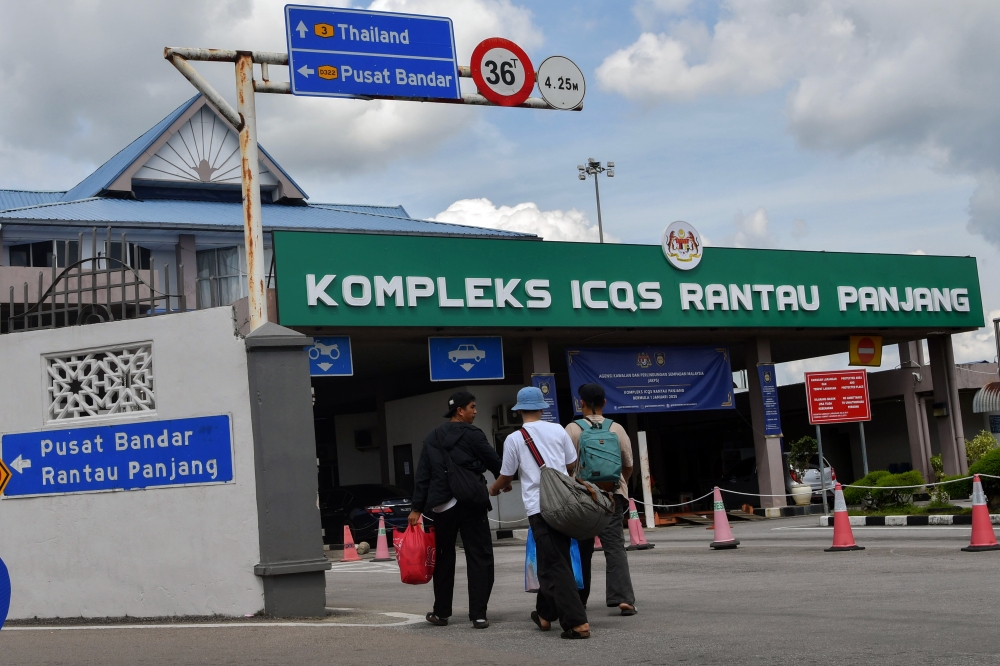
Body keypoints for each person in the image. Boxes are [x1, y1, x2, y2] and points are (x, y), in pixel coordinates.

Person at [489, 386, 591, 639]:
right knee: (550, 559)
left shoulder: (515, 438)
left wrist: (494, 489)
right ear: (542, 407)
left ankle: (577, 623)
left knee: (556, 562)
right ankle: (545, 615)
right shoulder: (558, 429)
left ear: (519, 410)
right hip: (565, 504)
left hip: (539, 507)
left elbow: (506, 475)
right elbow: (570, 464)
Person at [409, 391, 502, 629]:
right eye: (472, 406)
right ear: (460, 410)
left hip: (442, 505)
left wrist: (417, 508)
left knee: (443, 558)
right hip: (472, 501)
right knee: (479, 557)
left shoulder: (432, 437)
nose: (475, 411)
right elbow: (496, 463)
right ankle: (478, 615)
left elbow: (423, 475)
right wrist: (502, 481)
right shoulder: (473, 434)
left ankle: (441, 613)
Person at [566, 383, 637, 616]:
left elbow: (566, 467)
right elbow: (628, 465)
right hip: (612, 495)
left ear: (581, 403)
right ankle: (623, 599)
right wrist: (616, 484)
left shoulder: (572, 429)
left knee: (581, 549)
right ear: (604, 403)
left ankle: (578, 600)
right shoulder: (617, 428)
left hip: (584, 496)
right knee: (615, 546)